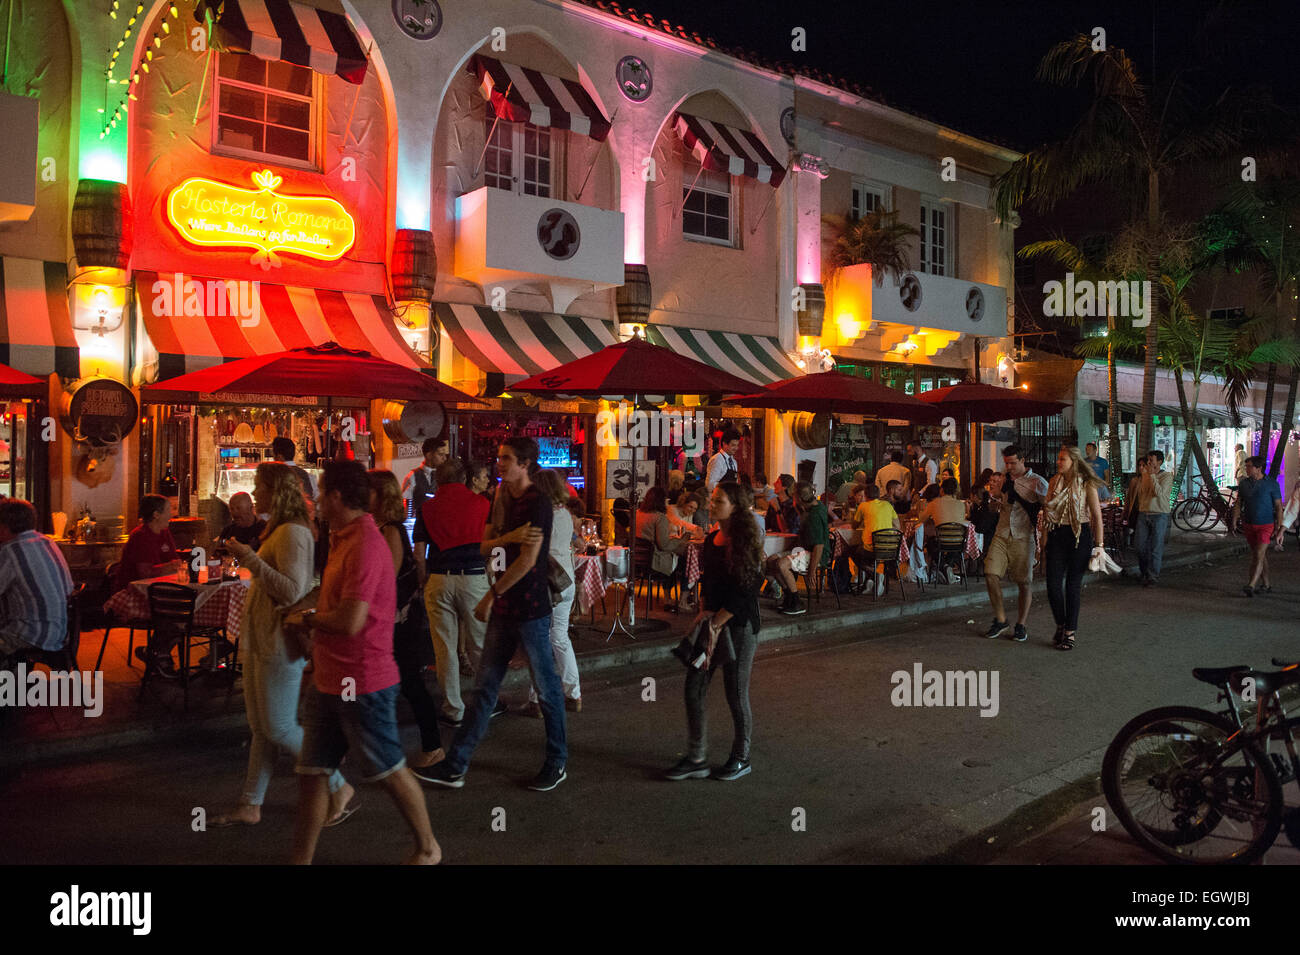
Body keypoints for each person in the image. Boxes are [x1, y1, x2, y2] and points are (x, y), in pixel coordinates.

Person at [284, 460, 440, 865]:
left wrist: (307, 620)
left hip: (364, 679)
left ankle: (427, 847)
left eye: (320, 493)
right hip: (329, 676)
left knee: (388, 769)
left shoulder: (367, 544)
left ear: (336, 496)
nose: (316, 501)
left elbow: (351, 620)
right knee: (313, 773)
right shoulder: (341, 538)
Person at [416, 437, 567, 792]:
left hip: (529, 607)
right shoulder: (499, 497)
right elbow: (483, 545)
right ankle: (456, 765)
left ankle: (557, 761)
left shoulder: (537, 502)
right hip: (505, 606)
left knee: (546, 689)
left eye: (506, 458)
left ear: (526, 464)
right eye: (499, 457)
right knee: (485, 688)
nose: (499, 463)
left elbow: (529, 560)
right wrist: (508, 536)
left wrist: (492, 594)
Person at [211, 463, 355, 829]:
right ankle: (250, 803)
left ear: (278, 491)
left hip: (278, 640)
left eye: (260, 487)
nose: (255, 493)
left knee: (278, 727)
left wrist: (249, 559)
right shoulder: (280, 527)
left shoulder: (293, 532)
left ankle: (338, 784)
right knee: (262, 727)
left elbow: (292, 589)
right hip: (262, 636)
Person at [664, 480, 763, 782]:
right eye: (713, 499)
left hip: (738, 626)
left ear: (735, 507)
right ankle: (697, 757)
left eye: (719, 500)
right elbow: (709, 585)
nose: (712, 503)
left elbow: (747, 588)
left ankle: (741, 756)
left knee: (735, 692)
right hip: (711, 624)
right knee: (694, 687)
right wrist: (703, 617)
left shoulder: (744, 539)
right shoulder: (711, 539)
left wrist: (717, 622)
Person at [368, 469, 443, 769]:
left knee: (410, 682)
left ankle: (432, 746)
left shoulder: (390, 530)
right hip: (394, 619)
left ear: (379, 495)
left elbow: (389, 578)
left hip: (399, 621)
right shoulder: (383, 527)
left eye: (368, 491)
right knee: (395, 683)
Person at [417, 458, 490, 728]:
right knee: (480, 643)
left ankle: (453, 707)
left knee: (444, 646)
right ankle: (486, 700)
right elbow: (491, 544)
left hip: (439, 578)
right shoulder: (482, 504)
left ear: (438, 480)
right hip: (473, 577)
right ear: (464, 479)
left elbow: (419, 552)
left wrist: (421, 579)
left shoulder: (428, 508)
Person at [519, 469, 582, 715]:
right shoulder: (565, 514)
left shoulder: (541, 515)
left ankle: (537, 699)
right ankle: (573, 693)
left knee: (540, 640)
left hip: (546, 581)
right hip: (565, 580)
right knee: (559, 637)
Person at [1041, 447, 1105, 651]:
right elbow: (1048, 511)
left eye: (1063, 459)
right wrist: (1043, 539)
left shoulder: (1086, 483)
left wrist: (1099, 545)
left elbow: (1096, 516)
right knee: (1052, 585)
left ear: (1074, 461)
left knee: (1072, 586)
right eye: (1058, 459)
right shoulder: (1054, 481)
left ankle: (1070, 631)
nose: (1059, 462)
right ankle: (1061, 623)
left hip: (1080, 536)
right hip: (1057, 534)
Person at [983, 445, 1049, 642]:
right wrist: (995, 504)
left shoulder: (1037, 482)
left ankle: (1021, 624)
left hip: (1023, 536)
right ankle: (1001, 618)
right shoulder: (1003, 479)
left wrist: (1045, 537)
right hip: (1001, 533)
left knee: (1024, 583)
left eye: (1013, 462)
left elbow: (1049, 508)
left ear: (1022, 460)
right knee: (990, 573)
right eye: (1006, 463)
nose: (1009, 466)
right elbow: (1000, 504)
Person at [0, 499, 73, 670]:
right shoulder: (47, 542)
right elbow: (69, 587)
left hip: (32, 634)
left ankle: (9, 687)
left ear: (4, 526)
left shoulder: (10, 551)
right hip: (61, 629)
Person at [118, 495, 184, 675]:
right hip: (135, 594)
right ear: (156, 515)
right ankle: (159, 655)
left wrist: (173, 566)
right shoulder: (140, 536)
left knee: (186, 612)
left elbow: (174, 560)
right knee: (177, 615)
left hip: (160, 591)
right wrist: (170, 567)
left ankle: (155, 654)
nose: (171, 515)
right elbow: (144, 573)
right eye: (168, 511)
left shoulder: (164, 532)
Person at [765, 481, 829, 616]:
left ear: (798, 498)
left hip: (815, 554)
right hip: (802, 549)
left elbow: (819, 545)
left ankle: (796, 601)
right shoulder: (813, 507)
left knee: (782, 564)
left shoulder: (814, 516)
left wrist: (812, 571)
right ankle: (788, 595)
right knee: (771, 561)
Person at [1231, 456, 1283, 596]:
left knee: (1259, 554)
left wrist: (1279, 527)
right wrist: (1235, 519)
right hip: (1249, 524)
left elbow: (1278, 506)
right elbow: (1238, 502)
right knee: (1259, 554)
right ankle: (1266, 584)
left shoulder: (1271, 484)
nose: (1246, 469)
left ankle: (1251, 584)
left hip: (1266, 525)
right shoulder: (1244, 484)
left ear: (1258, 468)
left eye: (1249, 466)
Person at [402, 438, 450, 572]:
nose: (444, 458)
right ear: (429, 455)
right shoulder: (413, 476)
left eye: (444, 455)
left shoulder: (446, 477)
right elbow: (407, 506)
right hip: (420, 530)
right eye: (440, 454)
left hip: (441, 529)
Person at [1134, 449, 1173, 588]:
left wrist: (1152, 476)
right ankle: (1144, 572)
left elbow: (1158, 493)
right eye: (1148, 461)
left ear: (1160, 462)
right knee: (1140, 546)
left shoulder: (1166, 477)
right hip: (1144, 514)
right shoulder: (1144, 475)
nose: (1149, 463)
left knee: (1156, 547)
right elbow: (1143, 494)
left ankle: (1152, 576)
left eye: (1152, 461)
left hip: (1159, 514)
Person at [920, 477, 967, 568]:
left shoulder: (934, 503)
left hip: (941, 542)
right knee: (952, 546)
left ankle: (943, 566)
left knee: (930, 542)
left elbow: (921, 519)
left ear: (942, 490)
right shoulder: (961, 504)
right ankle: (947, 566)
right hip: (959, 543)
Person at [271, 436, 315, 501]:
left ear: (279, 457)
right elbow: (317, 504)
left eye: (274, 456)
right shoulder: (310, 477)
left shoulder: (273, 478)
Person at [706, 428, 742, 495]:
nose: (736, 448)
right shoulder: (717, 459)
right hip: (718, 499)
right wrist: (727, 489)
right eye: (733, 445)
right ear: (724, 444)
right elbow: (710, 485)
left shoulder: (734, 462)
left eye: (737, 445)